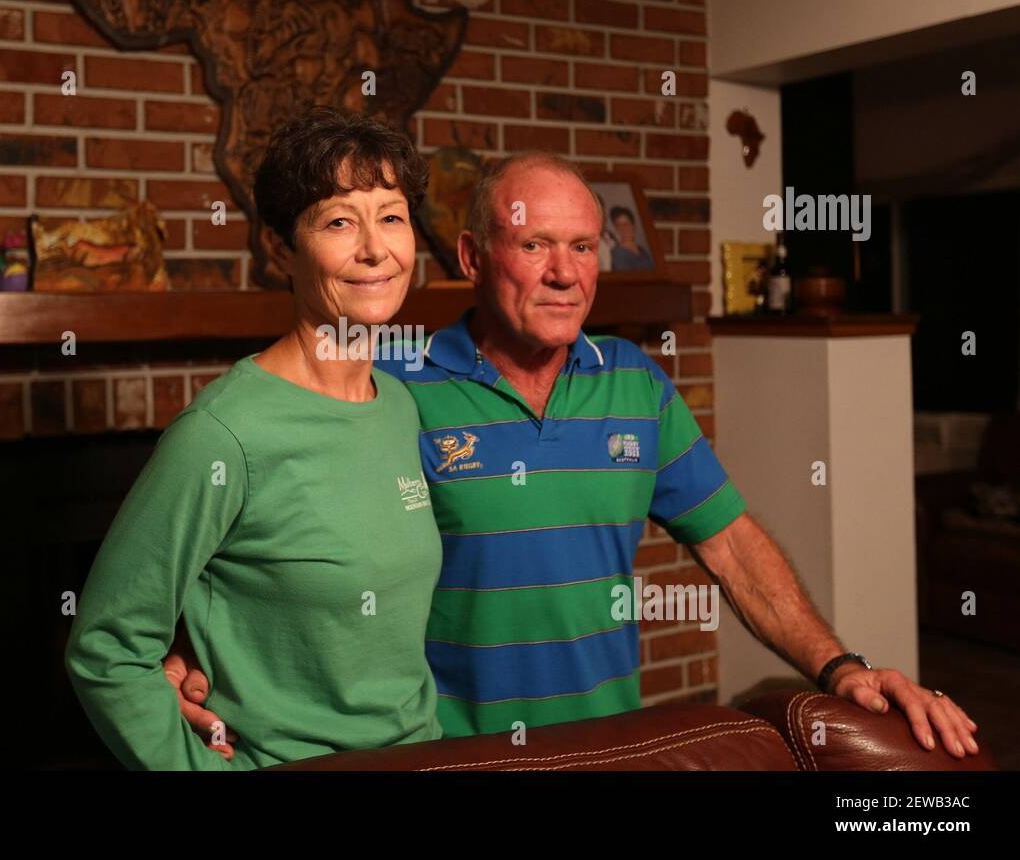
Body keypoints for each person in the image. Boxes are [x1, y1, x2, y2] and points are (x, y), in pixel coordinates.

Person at [168, 151, 981, 762]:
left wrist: (838, 666)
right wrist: (189, 645)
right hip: (445, 753)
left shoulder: (637, 384)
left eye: (586, 247)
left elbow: (731, 543)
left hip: (609, 747)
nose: (565, 273)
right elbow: (286, 529)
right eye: (535, 244)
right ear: (472, 255)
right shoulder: (392, 382)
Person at [64, 106, 444, 769]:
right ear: (278, 248)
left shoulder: (400, 406)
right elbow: (108, 646)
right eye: (337, 221)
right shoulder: (222, 434)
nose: (375, 249)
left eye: (391, 215)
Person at [606, 205, 652, 271]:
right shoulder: (617, 253)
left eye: (626, 224)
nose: (623, 228)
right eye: (619, 225)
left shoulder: (642, 250)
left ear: (633, 225)